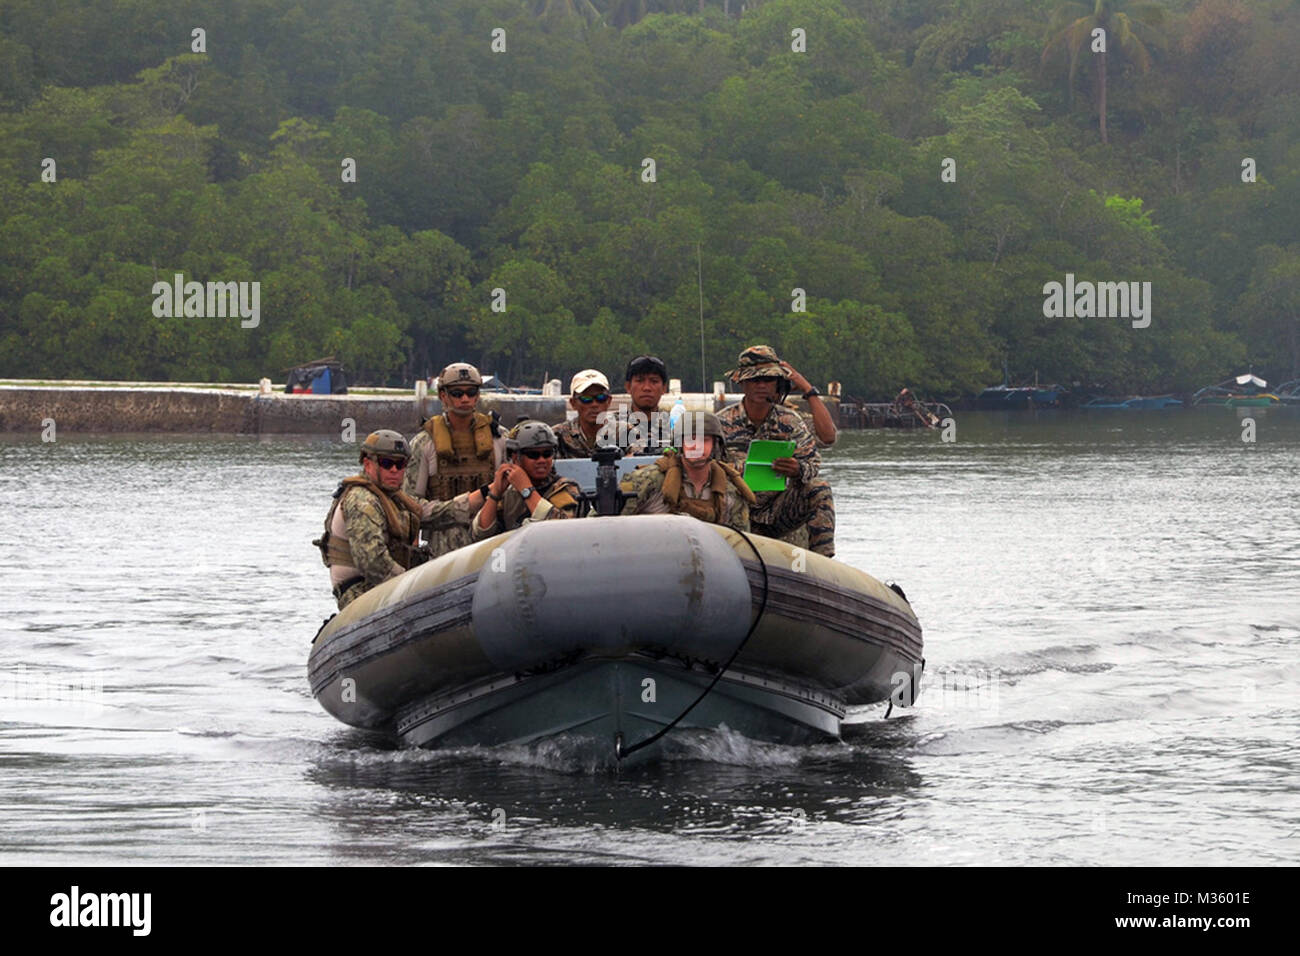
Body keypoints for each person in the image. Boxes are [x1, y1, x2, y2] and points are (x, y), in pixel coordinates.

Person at [316, 430, 484, 610]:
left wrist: (486, 494)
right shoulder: (362, 501)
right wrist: (413, 585)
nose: (395, 470)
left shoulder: (393, 496)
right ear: (368, 464)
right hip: (360, 592)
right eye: (387, 463)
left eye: (400, 464)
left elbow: (434, 513)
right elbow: (372, 562)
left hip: (384, 586)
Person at [717, 345, 836, 557]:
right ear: (743, 383)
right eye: (755, 380)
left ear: (777, 384)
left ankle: (823, 564)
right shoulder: (721, 423)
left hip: (775, 512)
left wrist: (797, 468)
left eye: (769, 380)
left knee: (819, 489)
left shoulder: (789, 421)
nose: (761, 386)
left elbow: (818, 454)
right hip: (733, 510)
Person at [402, 362, 506, 554]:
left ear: (478, 395)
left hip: (489, 542)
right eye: (457, 393)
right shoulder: (424, 443)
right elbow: (411, 506)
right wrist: (465, 505)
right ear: (443, 396)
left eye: (471, 392)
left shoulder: (499, 439)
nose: (465, 398)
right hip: (442, 548)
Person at [619, 412, 755, 531]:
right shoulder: (649, 481)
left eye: (704, 440)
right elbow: (614, 527)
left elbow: (741, 544)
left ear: (716, 445)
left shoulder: (729, 492)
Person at [472, 421, 580, 539]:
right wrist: (495, 494)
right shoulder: (509, 493)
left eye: (547, 453)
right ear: (515, 457)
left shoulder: (564, 488)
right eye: (533, 454)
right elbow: (481, 534)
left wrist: (526, 490)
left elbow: (561, 531)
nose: (541, 460)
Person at [555, 369, 613, 459]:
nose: (594, 404)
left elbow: (639, 458)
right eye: (586, 399)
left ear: (609, 401)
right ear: (573, 403)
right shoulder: (557, 436)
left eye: (601, 398)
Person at [620, 354, 669, 455]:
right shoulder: (613, 427)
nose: (647, 388)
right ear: (628, 386)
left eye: (654, 381)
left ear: (664, 388)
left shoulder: (676, 427)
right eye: (640, 381)